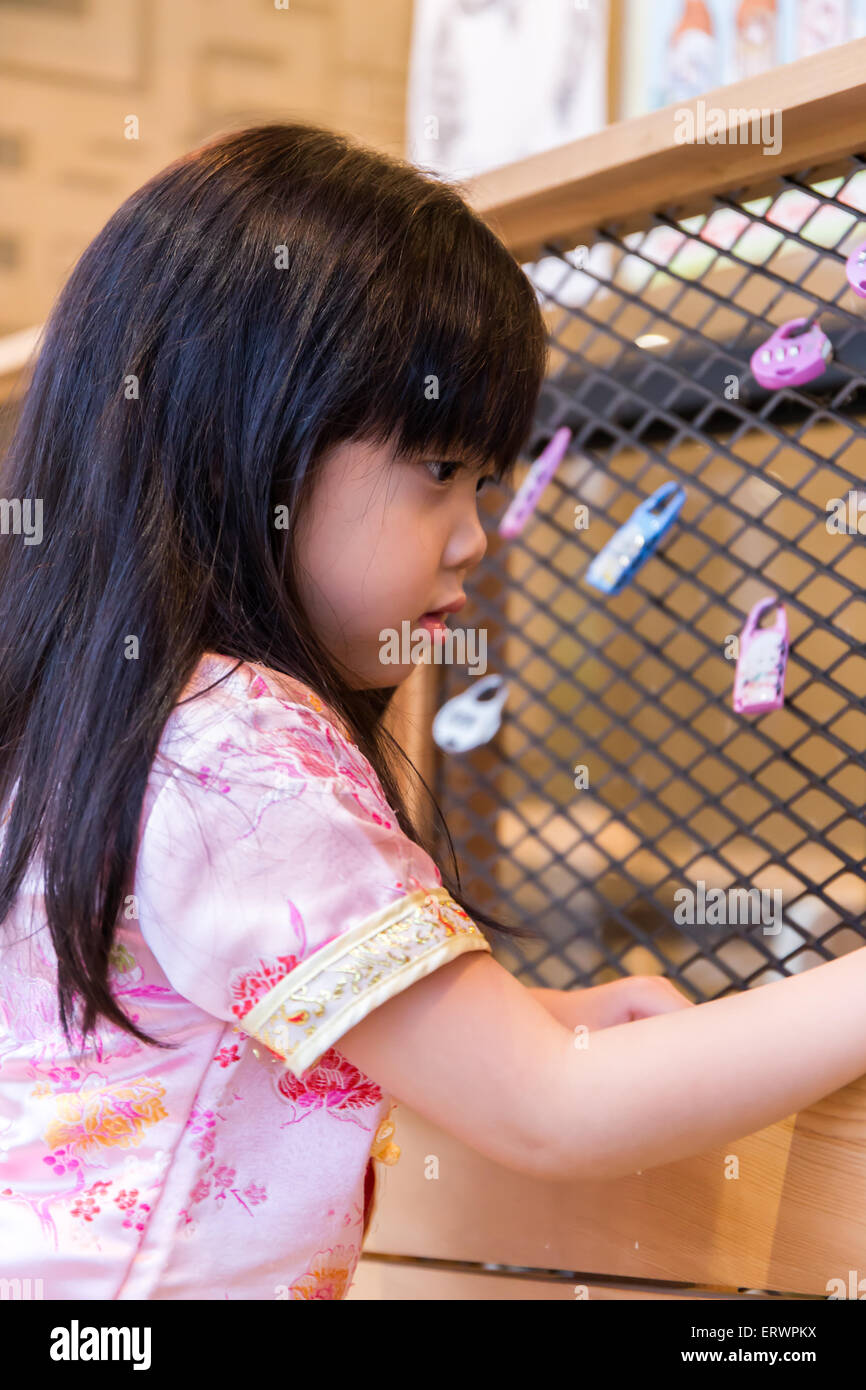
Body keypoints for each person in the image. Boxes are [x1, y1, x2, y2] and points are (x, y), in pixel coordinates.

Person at [1, 122, 866, 1301]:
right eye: (440, 471)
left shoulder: (90, 716)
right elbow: (554, 1114)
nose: (473, 538)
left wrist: (528, 1013)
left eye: (486, 482)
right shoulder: (235, 748)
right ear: (251, 440)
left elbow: (215, 1024)